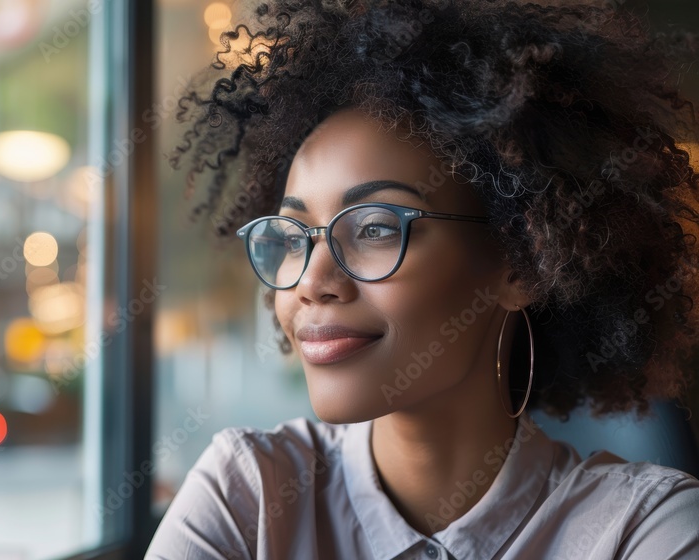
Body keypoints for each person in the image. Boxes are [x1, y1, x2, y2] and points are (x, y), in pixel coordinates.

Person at [145, 0, 699, 558]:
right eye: (294, 236)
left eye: (376, 229)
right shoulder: (246, 497)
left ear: (520, 264)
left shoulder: (645, 531)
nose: (312, 282)